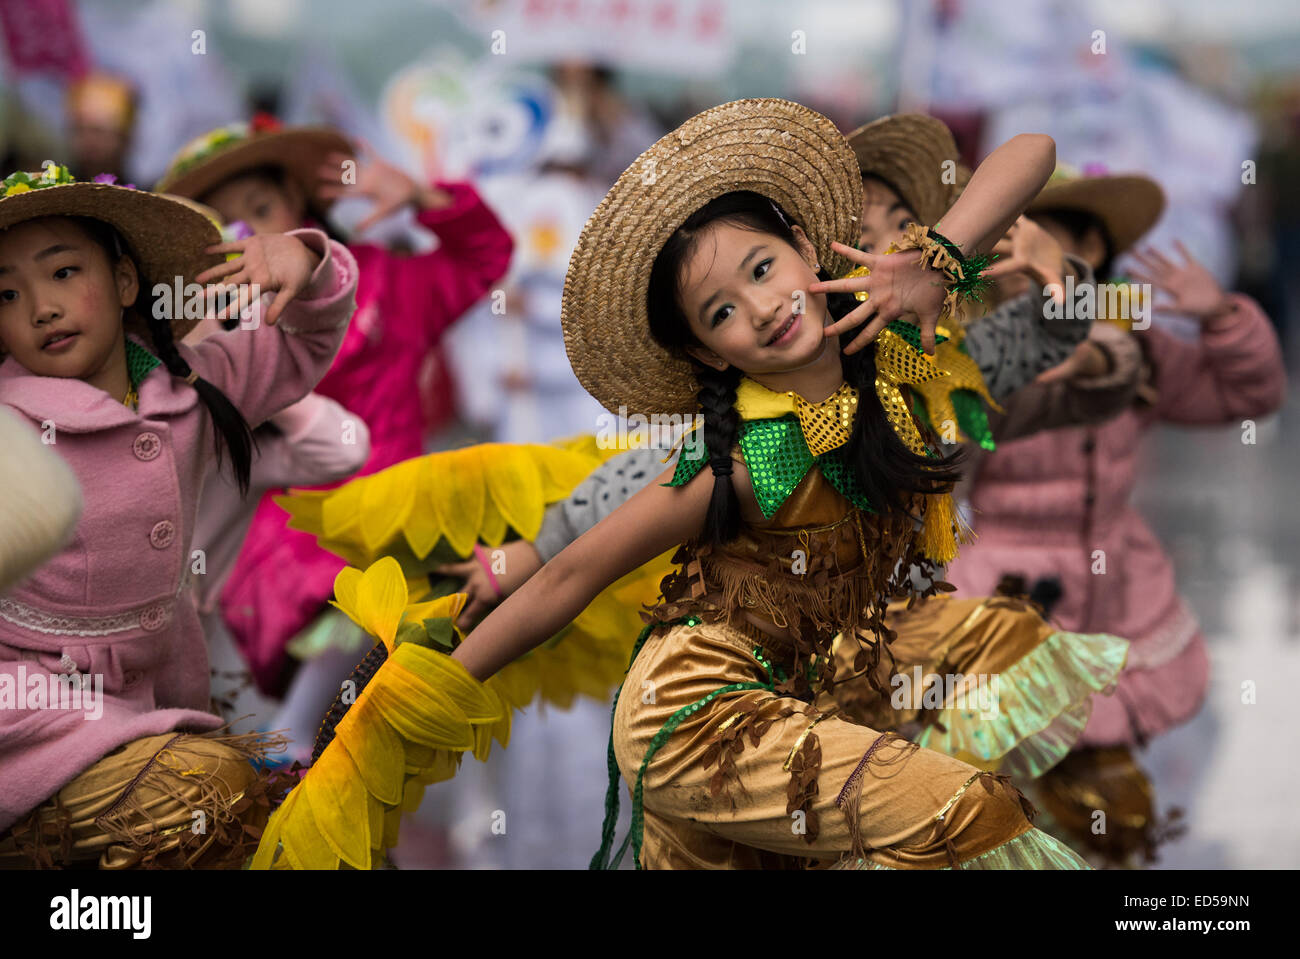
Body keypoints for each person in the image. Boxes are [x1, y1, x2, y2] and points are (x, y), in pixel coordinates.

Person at [0, 163, 358, 868]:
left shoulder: (194, 384)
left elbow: (306, 342)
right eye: (6, 293)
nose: (41, 306)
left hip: (151, 686)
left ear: (128, 282)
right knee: (210, 793)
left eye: (64, 272)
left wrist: (309, 262)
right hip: (27, 701)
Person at [947, 166, 1287, 864]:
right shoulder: (975, 352)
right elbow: (929, 464)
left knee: (1108, 787)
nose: (1017, 258)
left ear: (1089, 251)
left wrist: (1221, 318)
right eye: (1002, 241)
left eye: (1038, 239)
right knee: (1006, 785)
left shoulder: (1137, 346)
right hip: (1003, 593)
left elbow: (1248, 396)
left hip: (1115, 585)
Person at [154, 117, 513, 728]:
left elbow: (486, 257)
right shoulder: (207, 330)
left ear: (299, 201)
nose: (257, 235)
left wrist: (426, 196)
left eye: (263, 208)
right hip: (274, 542)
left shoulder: (391, 280)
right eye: (231, 227)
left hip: (393, 527)